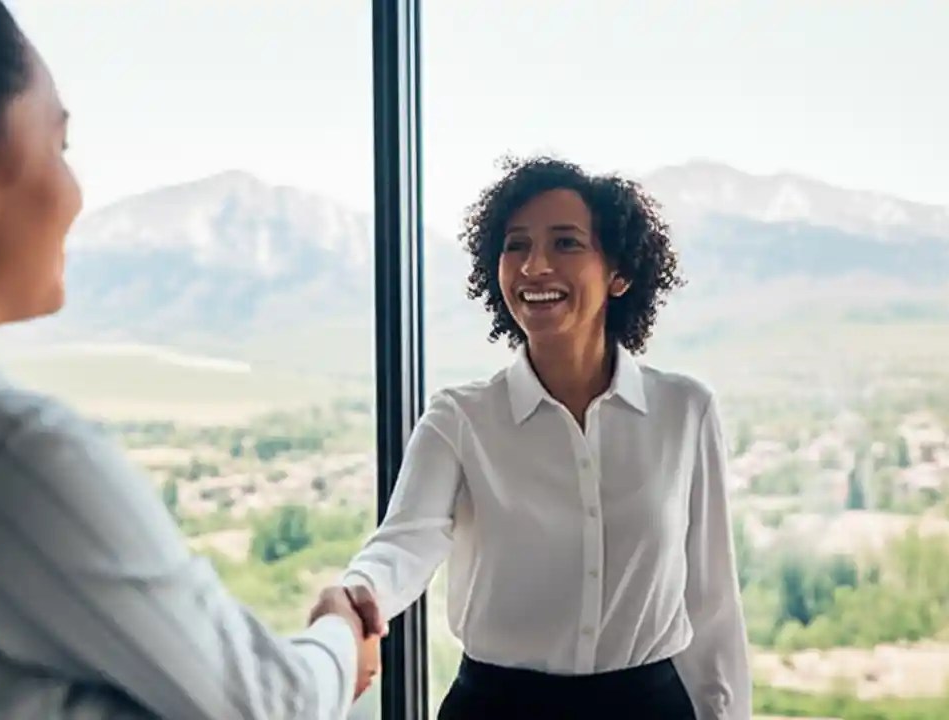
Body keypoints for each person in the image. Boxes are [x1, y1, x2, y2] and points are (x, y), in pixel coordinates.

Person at [0, 1, 377, 718]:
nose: (76, 195)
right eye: (61, 145)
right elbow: (268, 706)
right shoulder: (9, 458)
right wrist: (339, 640)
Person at [316, 157, 751, 718]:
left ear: (619, 273)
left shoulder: (685, 410)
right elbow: (404, 542)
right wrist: (355, 596)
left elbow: (712, 603)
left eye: (566, 243)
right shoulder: (459, 417)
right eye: (516, 245)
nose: (534, 266)